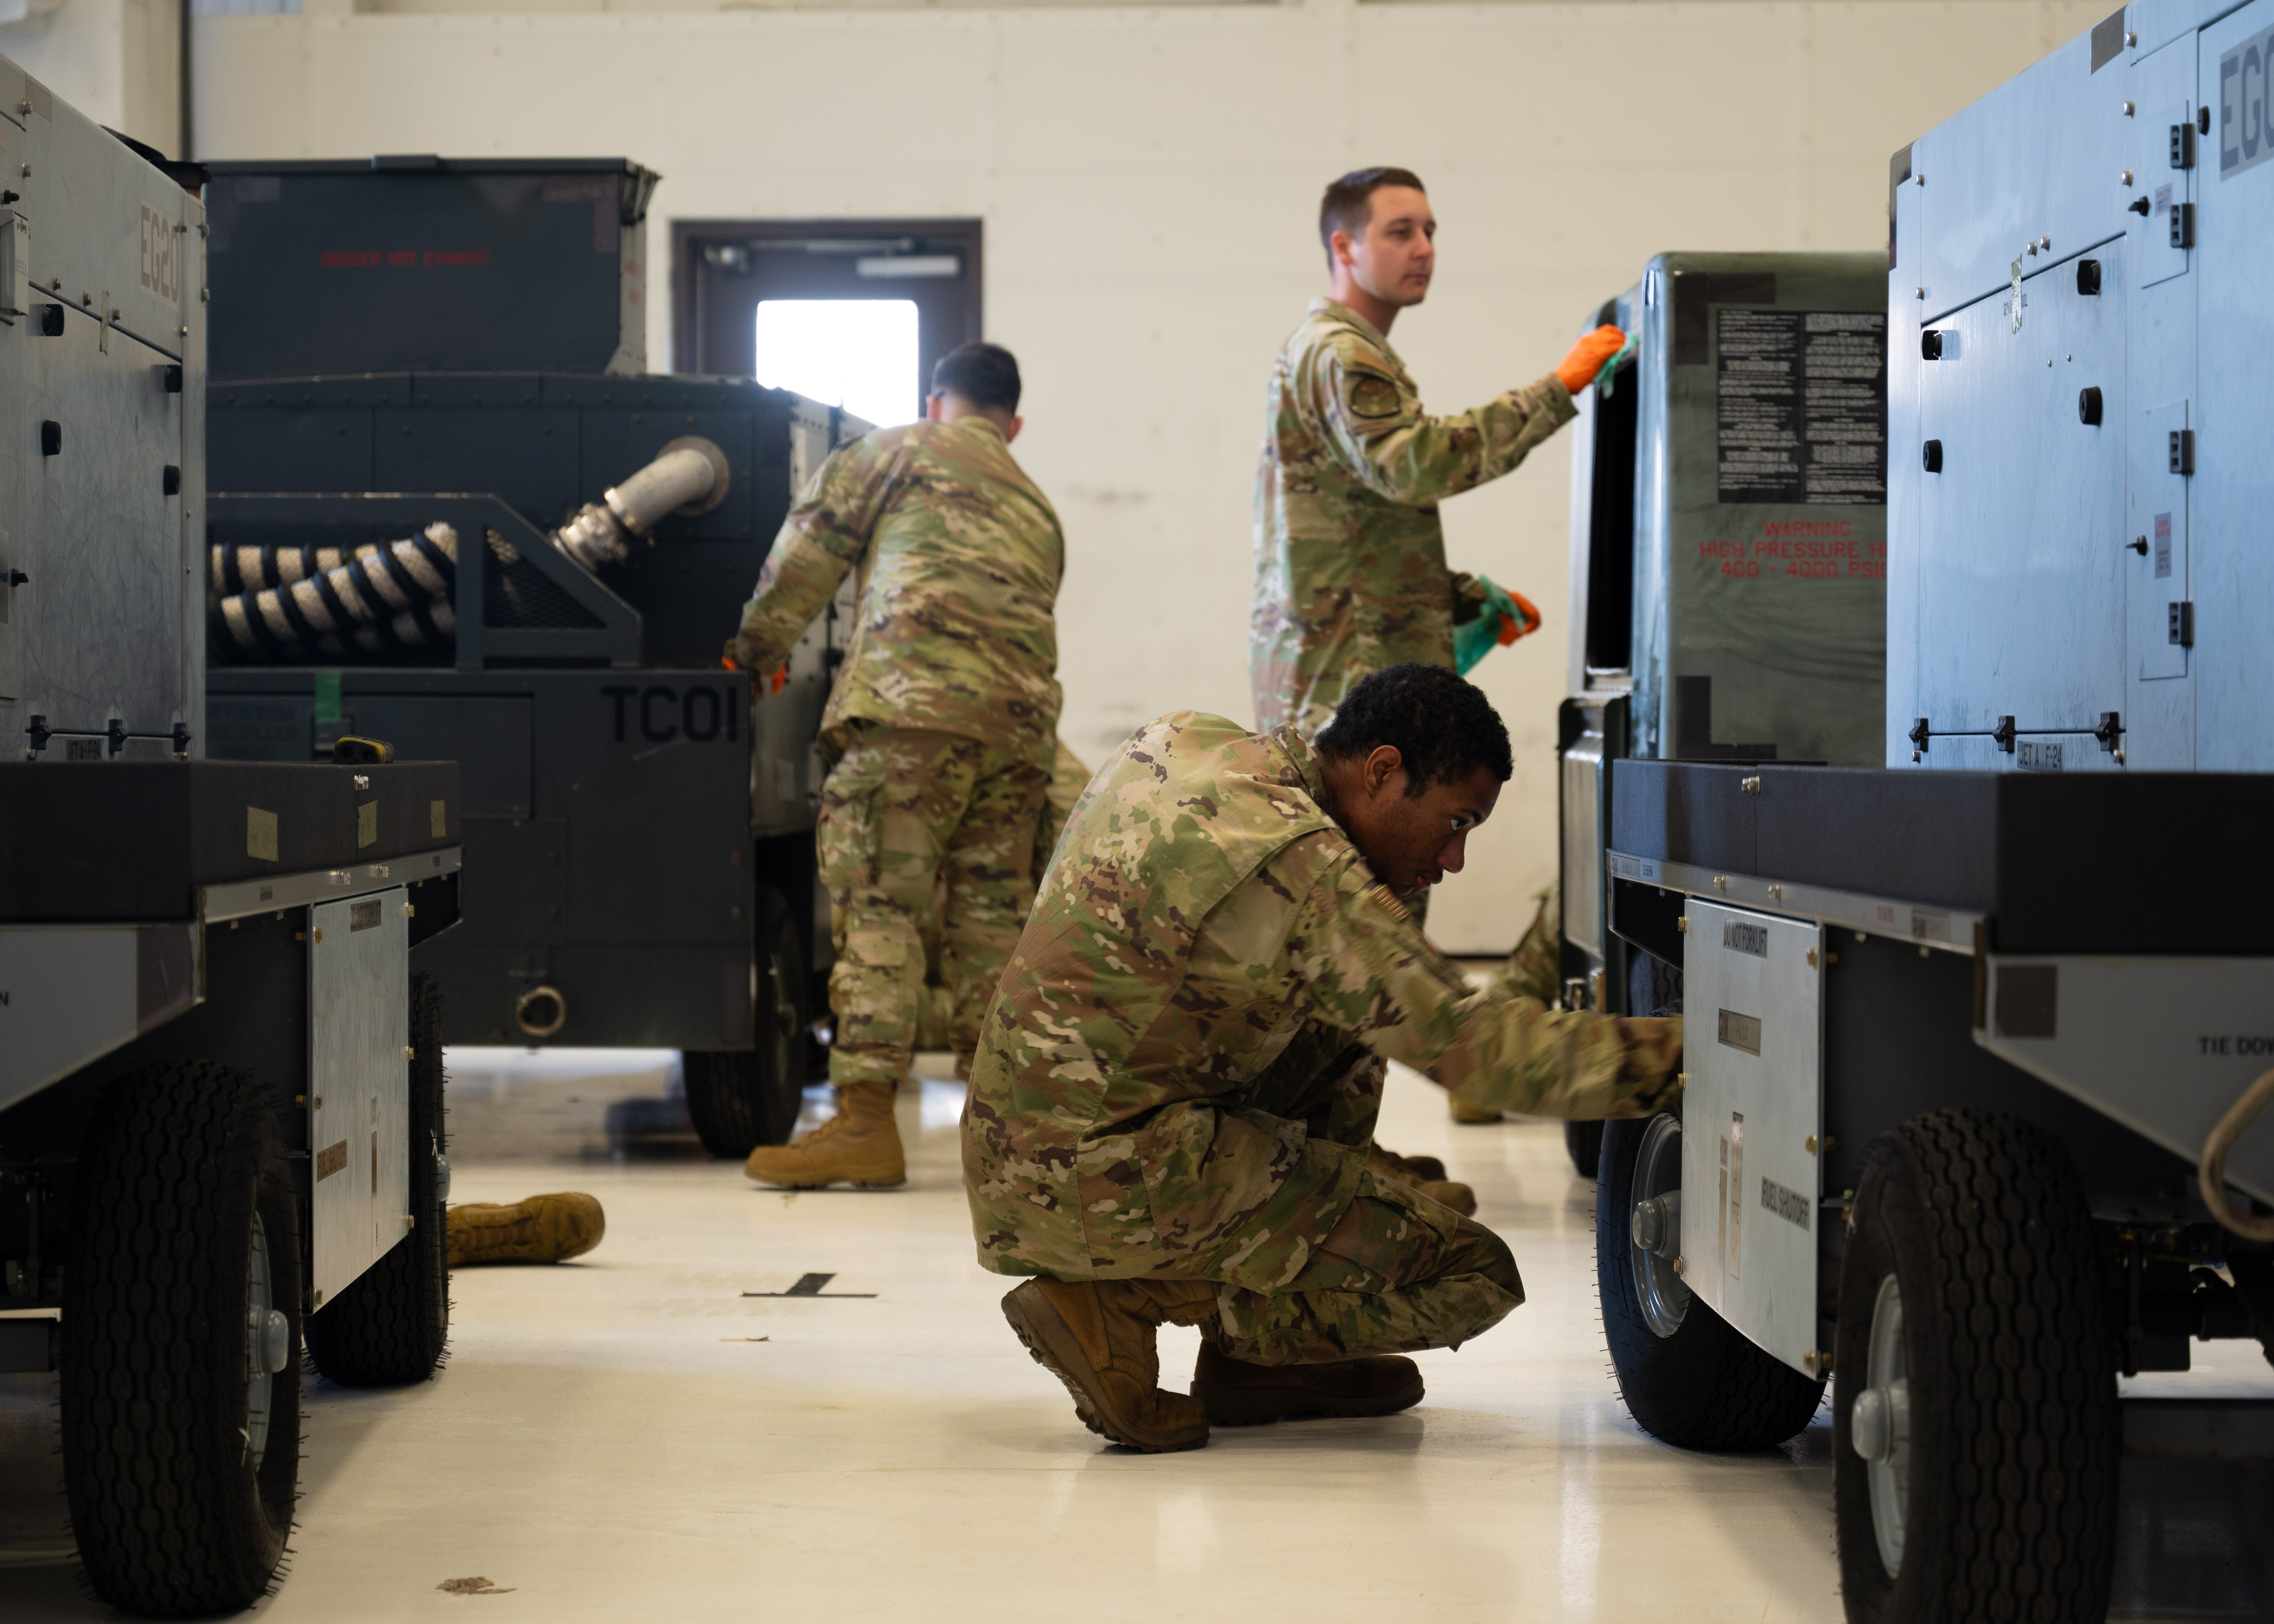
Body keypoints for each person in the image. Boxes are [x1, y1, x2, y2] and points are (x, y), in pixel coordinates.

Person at [962, 664, 1683, 1453]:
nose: (1454, 859)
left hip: (1024, 1143)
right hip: (1098, 1177)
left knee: (1348, 1022)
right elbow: (1475, 1050)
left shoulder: (1187, 741)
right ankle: (1120, 1303)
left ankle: (1253, 1363)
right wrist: (1686, 1053)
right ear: (1382, 770)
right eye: (1455, 821)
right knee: (1475, 1274)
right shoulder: (1301, 867)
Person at [730, 342, 1064, 1190]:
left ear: (934, 400)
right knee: (993, 921)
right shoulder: (1037, 504)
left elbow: (804, 560)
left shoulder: (895, 450)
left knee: (881, 906)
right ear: (1013, 425)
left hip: (911, 716)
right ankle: (1007, 1139)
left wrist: (748, 655)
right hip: (1020, 734)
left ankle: (866, 1123)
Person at [1250, 166, 1625, 736]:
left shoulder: (1327, 348)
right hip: (1348, 687)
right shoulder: (1342, 351)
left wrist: (1458, 599)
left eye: (1429, 232)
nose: (1424, 248)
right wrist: (1555, 391)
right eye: (1400, 232)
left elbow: (1348, 522)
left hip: (1336, 674)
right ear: (1344, 248)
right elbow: (1412, 465)